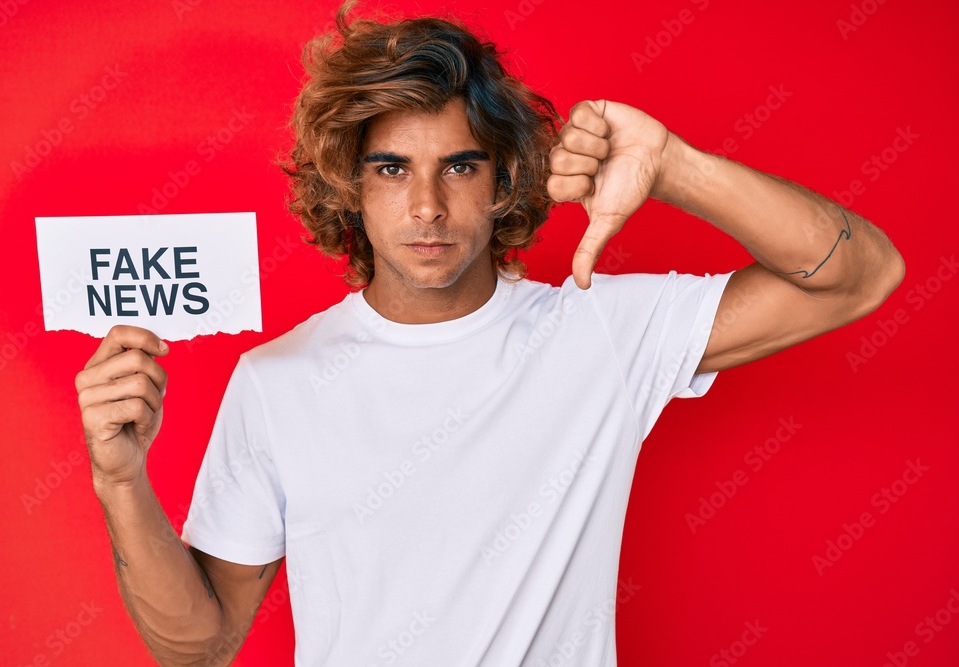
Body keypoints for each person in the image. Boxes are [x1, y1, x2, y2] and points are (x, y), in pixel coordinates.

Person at [74, 2, 905, 666]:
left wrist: (675, 166)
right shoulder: (277, 378)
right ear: (350, 185)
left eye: (460, 166)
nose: (427, 206)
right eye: (392, 168)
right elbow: (198, 644)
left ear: (507, 177)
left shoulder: (600, 331)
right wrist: (120, 479)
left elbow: (861, 274)